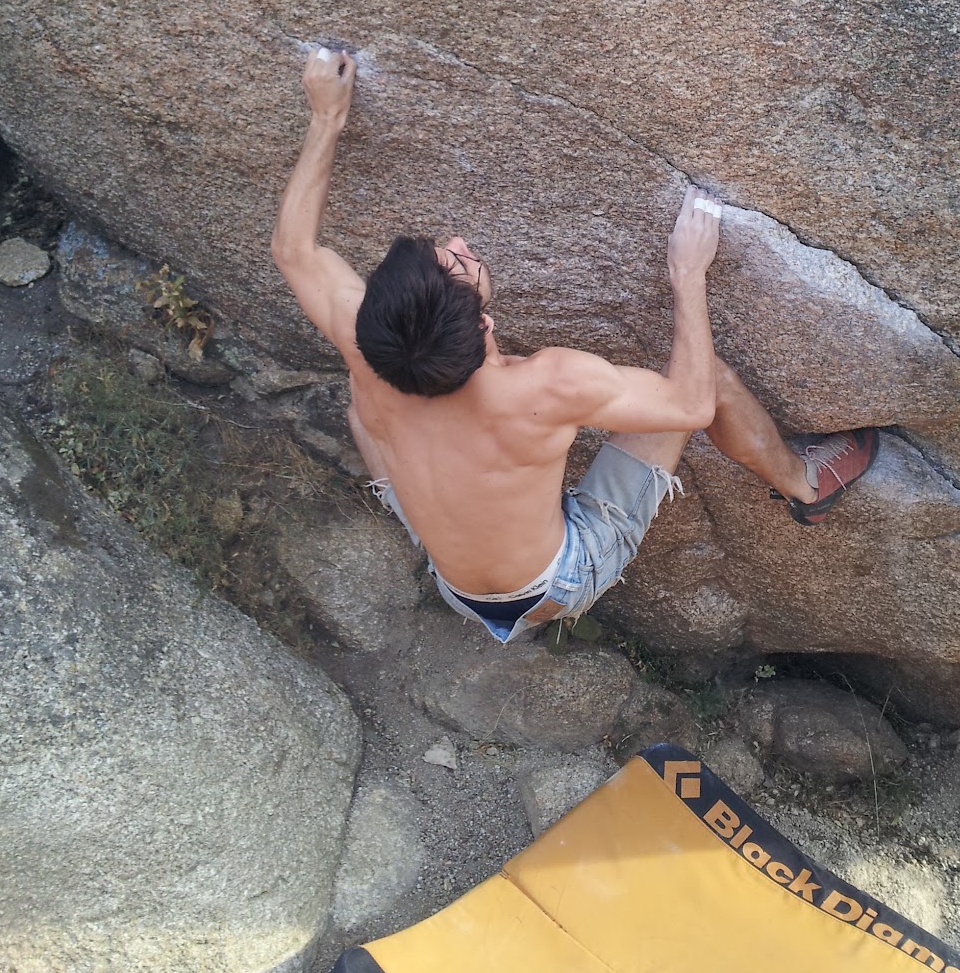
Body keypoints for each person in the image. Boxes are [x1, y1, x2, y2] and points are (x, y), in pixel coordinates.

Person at [272, 47, 878, 644]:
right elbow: (691, 405)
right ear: (483, 327)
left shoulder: (372, 347)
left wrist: (326, 117)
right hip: (556, 581)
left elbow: (294, 250)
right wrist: (688, 276)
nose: (458, 240)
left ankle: (443, 511)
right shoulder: (548, 385)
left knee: (361, 411)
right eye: (457, 262)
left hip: (454, 582)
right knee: (711, 377)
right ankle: (805, 485)